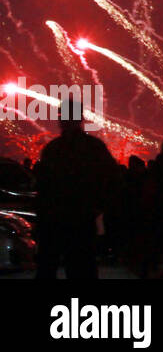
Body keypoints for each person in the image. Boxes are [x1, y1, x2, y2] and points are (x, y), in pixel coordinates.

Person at [34, 109, 118, 279]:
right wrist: (98, 206)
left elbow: (42, 186)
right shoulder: (94, 147)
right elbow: (113, 180)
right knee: (82, 268)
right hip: (81, 218)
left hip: (56, 219)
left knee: (49, 267)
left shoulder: (53, 149)